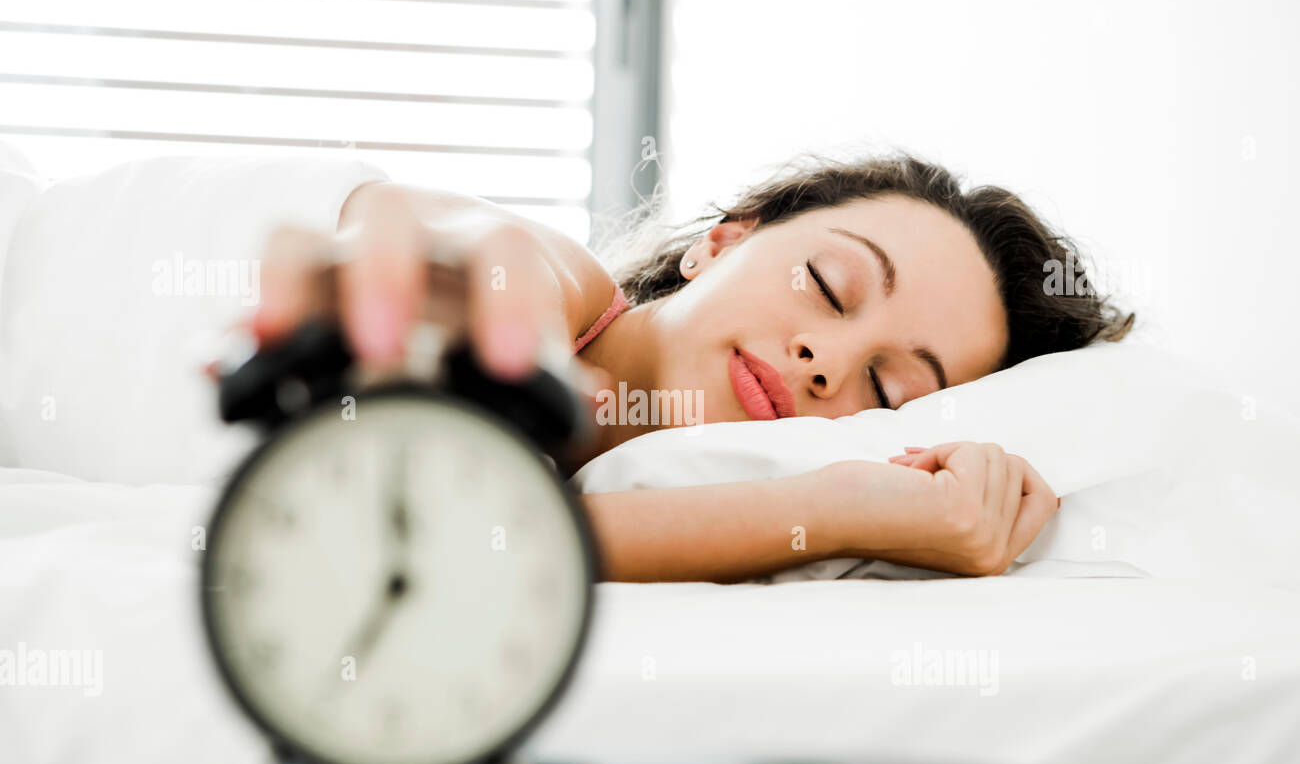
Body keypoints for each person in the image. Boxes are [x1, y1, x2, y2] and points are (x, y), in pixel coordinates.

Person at [246, 153, 1134, 583]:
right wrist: (833, 511)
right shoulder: (548, 280)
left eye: (888, 389)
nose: (825, 362)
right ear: (722, 242)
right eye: (826, 285)